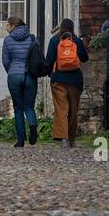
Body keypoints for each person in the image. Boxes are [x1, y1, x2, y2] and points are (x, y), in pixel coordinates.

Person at [45, 17, 89, 149]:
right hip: (75, 80)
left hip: (58, 79)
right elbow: (84, 58)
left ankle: (63, 138)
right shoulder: (76, 41)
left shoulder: (54, 40)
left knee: (61, 109)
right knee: (73, 110)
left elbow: (49, 60)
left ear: (61, 27)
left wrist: (50, 74)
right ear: (72, 28)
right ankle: (71, 139)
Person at [1, 14, 42, 148]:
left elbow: (5, 61)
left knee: (18, 108)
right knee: (29, 106)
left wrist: (12, 72)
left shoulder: (7, 40)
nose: (6, 28)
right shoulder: (32, 38)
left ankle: (20, 140)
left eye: (7, 25)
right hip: (30, 75)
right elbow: (38, 56)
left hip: (14, 75)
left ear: (13, 26)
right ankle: (33, 125)